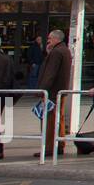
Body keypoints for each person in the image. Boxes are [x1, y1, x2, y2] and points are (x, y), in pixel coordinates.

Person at [35, 30, 72, 158]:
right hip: (60, 91)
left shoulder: (56, 53)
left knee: (50, 121)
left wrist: (42, 91)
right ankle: (60, 144)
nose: (48, 40)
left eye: (50, 38)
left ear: (57, 39)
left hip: (52, 92)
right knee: (59, 119)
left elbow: (50, 74)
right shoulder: (64, 50)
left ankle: (49, 148)